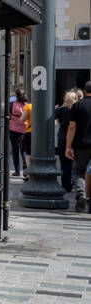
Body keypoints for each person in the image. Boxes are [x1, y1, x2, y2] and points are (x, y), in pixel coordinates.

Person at [63, 80, 91, 213]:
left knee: (79, 171)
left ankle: (81, 194)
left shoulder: (78, 105)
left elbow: (72, 127)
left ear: (85, 91)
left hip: (81, 145)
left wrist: (68, 146)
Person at [55, 89, 78, 195]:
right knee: (77, 165)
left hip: (63, 139)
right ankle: (77, 184)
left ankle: (66, 185)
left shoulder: (61, 109)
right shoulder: (78, 109)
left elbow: (51, 117)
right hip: (76, 139)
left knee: (64, 165)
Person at [8, 89, 28, 177]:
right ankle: (26, 169)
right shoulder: (27, 106)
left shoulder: (12, 105)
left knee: (15, 150)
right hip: (24, 130)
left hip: (13, 130)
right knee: (24, 150)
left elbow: (8, 115)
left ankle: (17, 170)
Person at [23, 96, 34, 178]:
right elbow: (54, 123)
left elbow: (22, 119)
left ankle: (30, 173)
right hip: (43, 134)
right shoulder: (48, 106)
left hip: (29, 132)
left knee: (29, 153)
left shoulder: (29, 106)